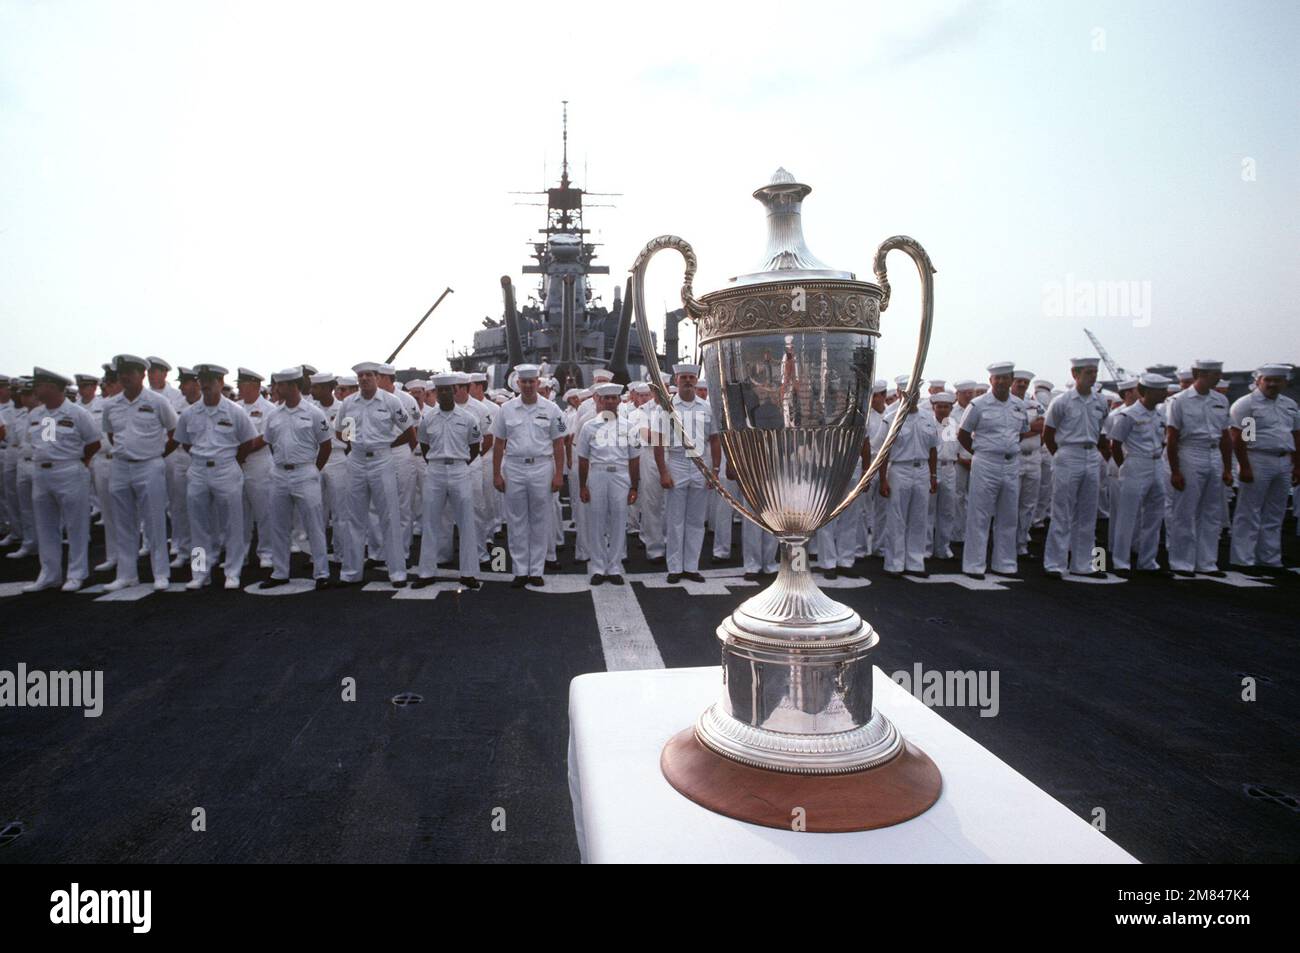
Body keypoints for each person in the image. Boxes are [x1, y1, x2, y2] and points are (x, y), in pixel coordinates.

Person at [174, 365, 257, 589]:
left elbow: (247, 442)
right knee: (198, 526)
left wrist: (230, 461)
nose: (207, 384)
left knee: (232, 523)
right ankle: (200, 572)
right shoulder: (190, 413)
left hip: (226, 468)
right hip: (199, 469)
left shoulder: (234, 411)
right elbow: (183, 440)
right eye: (203, 379)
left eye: (212, 379)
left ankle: (232, 571)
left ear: (221, 382)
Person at [102, 354, 179, 591]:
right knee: (123, 522)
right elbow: (111, 434)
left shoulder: (157, 401)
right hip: (120, 465)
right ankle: (126, 574)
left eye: (130, 372)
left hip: (149, 465)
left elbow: (175, 431)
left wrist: (156, 454)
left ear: (142, 375)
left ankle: (161, 573)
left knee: (154, 521)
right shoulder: (111, 404)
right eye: (121, 373)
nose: (125, 377)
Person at [335, 363, 414, 587]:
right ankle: (351, 572)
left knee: (389, 516)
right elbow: (342, 431)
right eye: (361, 376)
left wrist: (387, 445)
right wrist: (353, 446)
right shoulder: (349, 403)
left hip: (382, 460)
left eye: (369, 375)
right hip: (357, 460)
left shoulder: (390, 401)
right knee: (355, 518)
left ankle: (397, 572)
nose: (364, 379)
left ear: (377, 378)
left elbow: (409, 430)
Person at [24, 368, 100, 591]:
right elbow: (37, 444)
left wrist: (78, 462)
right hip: (41, 473)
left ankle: (77, 574)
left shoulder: (76, 413)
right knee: (45, 526)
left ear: (54, 387)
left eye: (40, 385)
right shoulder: (35, 415)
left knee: (75, 525)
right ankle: (50, 573)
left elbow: (93, 442)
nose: (36, 389)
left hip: (69, 471)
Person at [492, 364, 566, 587]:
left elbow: (559, 443)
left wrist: (559, 475)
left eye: (531, 381)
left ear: (538, 383)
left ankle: (536, 570)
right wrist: (496, 473)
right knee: (516, 520)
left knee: (540, 519)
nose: (527, 385)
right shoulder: (506, 409)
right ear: (517, 384)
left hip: (541, 466)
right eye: (523, 382)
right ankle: (520, 570)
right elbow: (498, 444)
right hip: (514, 466)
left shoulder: (552, 409)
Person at [262, 368, 332, 589]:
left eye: (281, 385)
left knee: (314, 525)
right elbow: (271, 443)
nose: (277, 389)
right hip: (280, 473)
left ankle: (321, 572)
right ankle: (280, 572)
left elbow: (326, 445)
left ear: (293, 386)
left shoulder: (313, 413)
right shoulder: (273, 414)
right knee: (278, 525)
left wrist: (313, 469)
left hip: (305, 472)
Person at [958, 362, 1028, 578]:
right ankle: (974, 565)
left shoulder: (1019, 405)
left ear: (1011, 379)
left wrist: (1007, 449)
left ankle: (1004, 564)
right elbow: (963, 434)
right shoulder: (978, 405)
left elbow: (1022, 432)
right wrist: (981, 452)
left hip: (1010, 463)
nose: (1000, 381)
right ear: (990, 381)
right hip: (986, 462)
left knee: (1008, 515)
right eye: (996, 378)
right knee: (979, 514)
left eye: (1005, 377)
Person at [1041, 357, 1109, 579]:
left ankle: (1084, 564)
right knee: (1062, 511)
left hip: (1091, 455)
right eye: (1089, 372)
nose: (1093, 376)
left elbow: (1101, 433)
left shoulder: (1100, 402)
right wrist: (1061, 456)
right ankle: (1055, 564)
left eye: (1095, 372)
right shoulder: (1062, 402)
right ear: (1075, 374)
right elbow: (1048, 435)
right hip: (1068, 454)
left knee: (1088, 513)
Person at [654, 363, 720, 584]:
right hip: (677, 462)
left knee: (695, 520)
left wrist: (715, 470)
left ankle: (691, 566)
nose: (689, 381)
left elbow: (714, 439)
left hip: (701, 464)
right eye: (684, 378)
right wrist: (663, 471)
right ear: (676, 380)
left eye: (692, 377)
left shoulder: (707, 407)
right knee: (675, 520)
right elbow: (658, 442)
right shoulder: (666, 406)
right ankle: (674, 567)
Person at [415, 373, 482, 589]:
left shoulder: (468, 418)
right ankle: (426, 572)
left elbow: (474, 447)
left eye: (447, 389)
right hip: (434, 470)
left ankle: (469, 573)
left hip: (460, 470)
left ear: (454, 391)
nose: (444, 393)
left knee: (466, 522)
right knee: (430, 522)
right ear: (435, 392)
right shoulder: (428, 418)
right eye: (439, 390)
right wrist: (437, 462)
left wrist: (458, 463)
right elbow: (424, 445)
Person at [1165, 359, 1232, 577]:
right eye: (1214, 374)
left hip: (1214, 454)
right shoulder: (1179, 401)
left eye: (1218, 374)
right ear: (1198, 374)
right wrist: (1175, 470)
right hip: (1189, 452)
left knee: (1211, 511)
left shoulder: (1221, 400)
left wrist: (1228, 468)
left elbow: (1225, 436)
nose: (1218, 378)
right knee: (1185, 511)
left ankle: (1207, 562)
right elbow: (1172, 437)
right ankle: (1182, 562)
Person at [1229, 364, 1298, 572]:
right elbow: (1241, 439)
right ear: (1258, 381)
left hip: (1283, 460)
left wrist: (1297, 465)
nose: (1272, 384)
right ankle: (1244, 559)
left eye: (1277, 380)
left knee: (1275, 513)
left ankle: (1269, 558)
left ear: (1285, 382)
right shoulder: (1248, 405)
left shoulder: (1290, 405)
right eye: (1268, 380)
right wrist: (1245, 465)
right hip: (1258, 458)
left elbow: (1296, 435)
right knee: (1249, 511)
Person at [1108, 374, 1170, 576]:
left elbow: (1163, 440)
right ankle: (1121, 562)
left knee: (1154, 515)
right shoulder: (1128, 415)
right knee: (1128, 516)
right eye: (1160, 390)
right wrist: (1124, 466)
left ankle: (1148, 561)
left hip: (1156, 463)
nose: (1164, 393)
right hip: (1135, 462)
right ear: (1146, 392)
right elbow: (1115, 444)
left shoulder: (1161, 415)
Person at [578, 382, 639, 585]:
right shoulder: (589, 427)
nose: (611, 401)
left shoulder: (629, 427)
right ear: (600, 401)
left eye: (614, 398)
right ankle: (597, 567)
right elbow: (583, 458)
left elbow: (634, 459)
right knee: (596, 521)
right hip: (597, 474)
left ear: (620, 401)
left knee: (619, 521)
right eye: (607, 398)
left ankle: (614, 567)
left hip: (620, 475)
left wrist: (634, 486)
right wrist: (582, 485)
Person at [879, 390, 939, 577]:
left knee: (919, 518)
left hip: (922, 469)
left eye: (915, 392)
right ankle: (894, 564)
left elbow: (933, 449)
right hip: (899, 469)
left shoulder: (928, 417)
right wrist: (883, 480)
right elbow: (883, 453)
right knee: (897, 519)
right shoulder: (890, 419)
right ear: (899, 395)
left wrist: (933, 475)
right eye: (907, 393)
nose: (912, 396)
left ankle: (915, 563)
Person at [1010, 369, 1044, 557]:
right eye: (1019, 381)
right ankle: (1007, 544)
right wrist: (1031, 428)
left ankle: (1021, 543)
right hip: (1015, 457)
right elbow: (1011, 431)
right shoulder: (1007, 405)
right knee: (1010, 504)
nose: (1022, 385)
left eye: (1025, 382)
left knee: (1028, 504)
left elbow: (1043, 428)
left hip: (1034, 457)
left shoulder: (1036, 405)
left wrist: (1024, 430)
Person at [930, 391, 960, 560]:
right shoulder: (927, 424)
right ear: (933, 408)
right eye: (939, 406)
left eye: (946, 407)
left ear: (951, 408)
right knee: (928, 510)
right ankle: (926, 548)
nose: (942, 410)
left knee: (948, 510)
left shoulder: (954, 425)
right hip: (932, 469)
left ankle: (943, 547)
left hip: (949, 468)